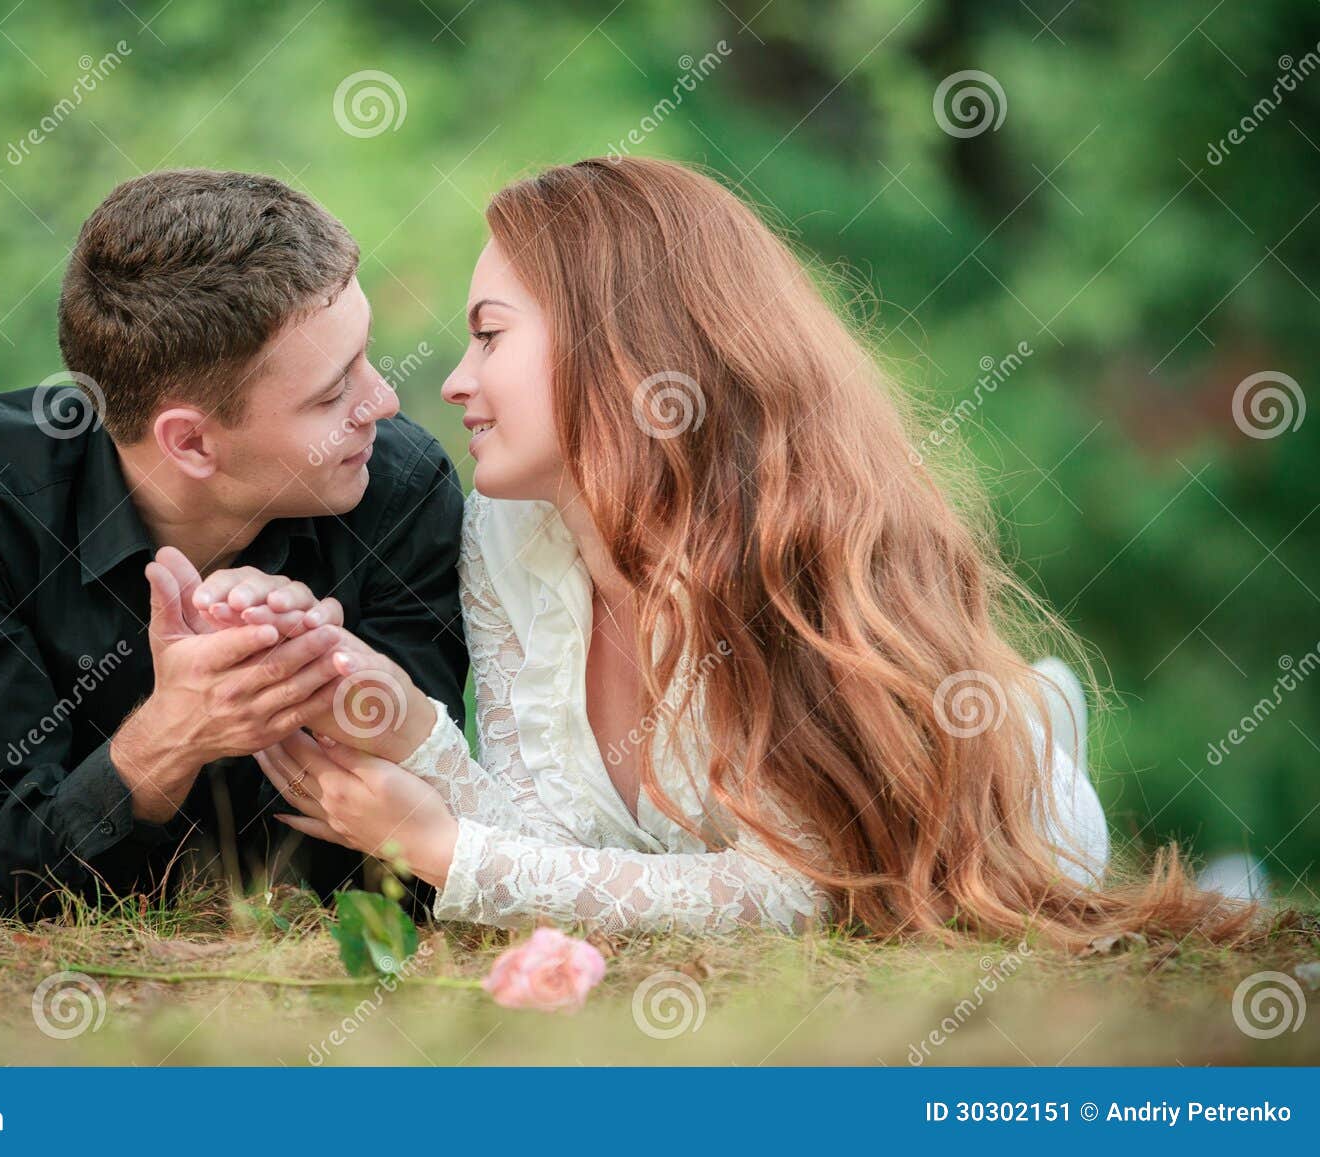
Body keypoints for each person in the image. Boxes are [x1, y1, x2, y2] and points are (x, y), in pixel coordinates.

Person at [252, 158, 1263, 949]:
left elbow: (789, 896)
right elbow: (547, 843)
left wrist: (433, 842)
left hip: (984, 847)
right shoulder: (508, 533)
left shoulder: (775, 546)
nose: (456, 384)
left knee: (1053, 799)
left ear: (623, 340)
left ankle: (1035, 730)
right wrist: (394, 715)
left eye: (489, 336)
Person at [0, 170, 465, 918]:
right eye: (332, 394)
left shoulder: (400, 489)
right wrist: (171, 736)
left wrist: (322, 681)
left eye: (365, 356)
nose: (384, 402)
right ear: (191, 441)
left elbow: (417, 866)